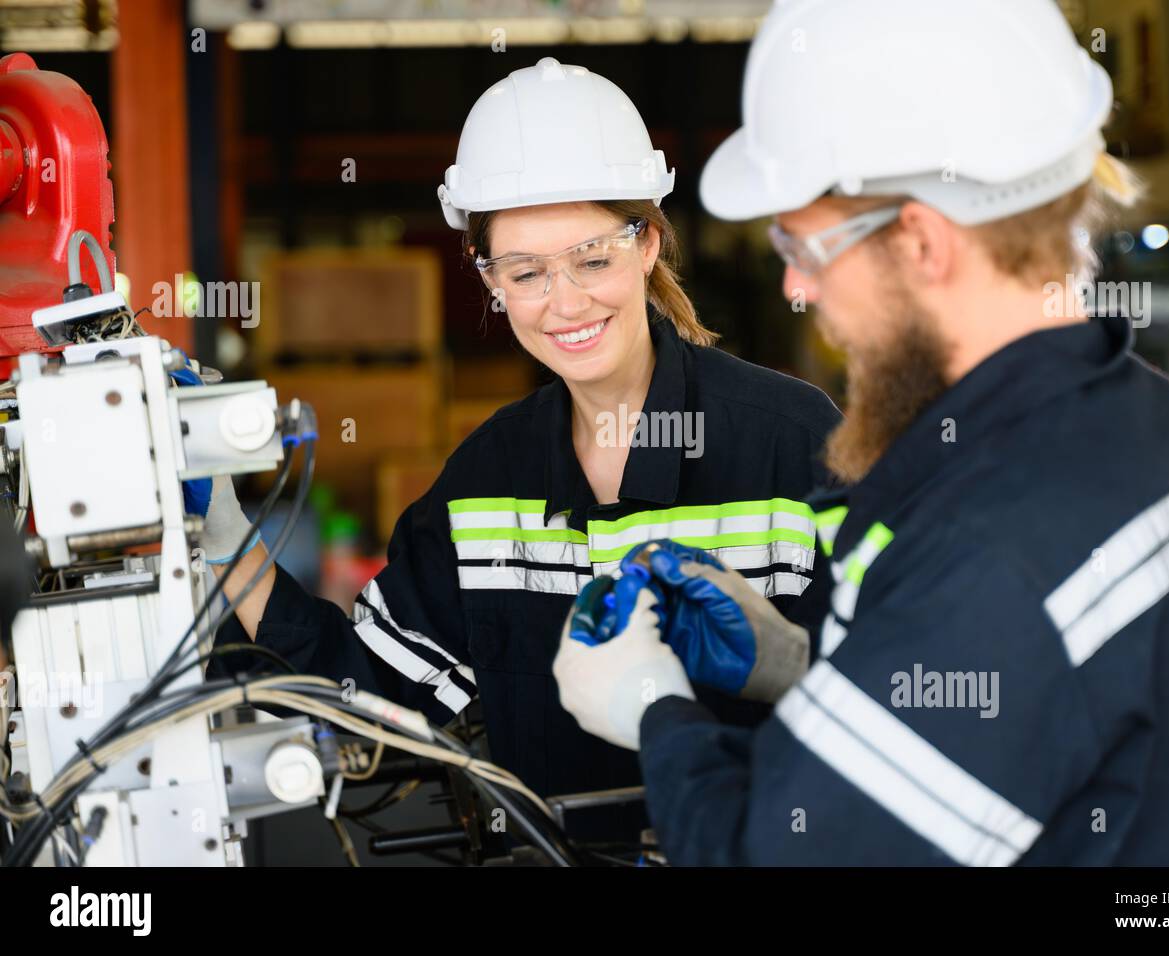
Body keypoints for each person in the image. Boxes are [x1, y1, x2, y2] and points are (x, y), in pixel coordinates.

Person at [553, 0, 1169, 864]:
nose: (797, 287)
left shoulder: (994, 552)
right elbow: (1029, 742)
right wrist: (799, 663)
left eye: (806, 247)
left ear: (922, 243)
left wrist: (652, 708)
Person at [202, 57, 841, 839]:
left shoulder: (793, 444)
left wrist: (790, 667)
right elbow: (367, 694)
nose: (564, 302)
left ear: (648, 245)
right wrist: (228, 547)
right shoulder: (485, 482)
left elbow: (901, 709)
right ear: (488, 279)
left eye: (593, 259)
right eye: (526, 272)